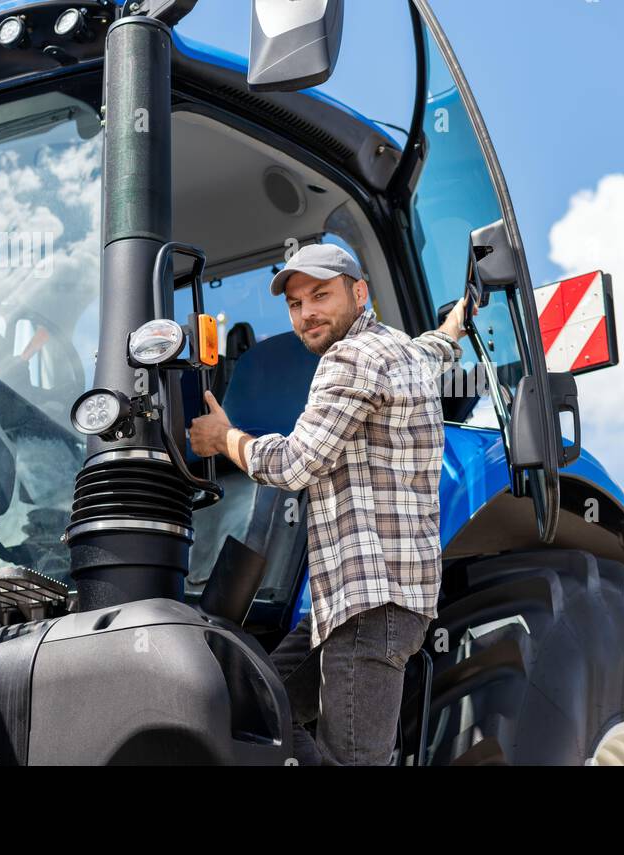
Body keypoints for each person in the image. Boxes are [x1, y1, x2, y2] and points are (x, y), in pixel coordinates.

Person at [189, 243, 473, 765]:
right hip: (349, 607)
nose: (307, 314)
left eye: (320, 295)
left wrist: (223, 438)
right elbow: (439, 348)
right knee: (249, 701)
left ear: (359, 292)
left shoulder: (350, 357)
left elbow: (297, 462)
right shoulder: (402, 350)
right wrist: (455, 326)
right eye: (296, 305)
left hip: (368, 602)